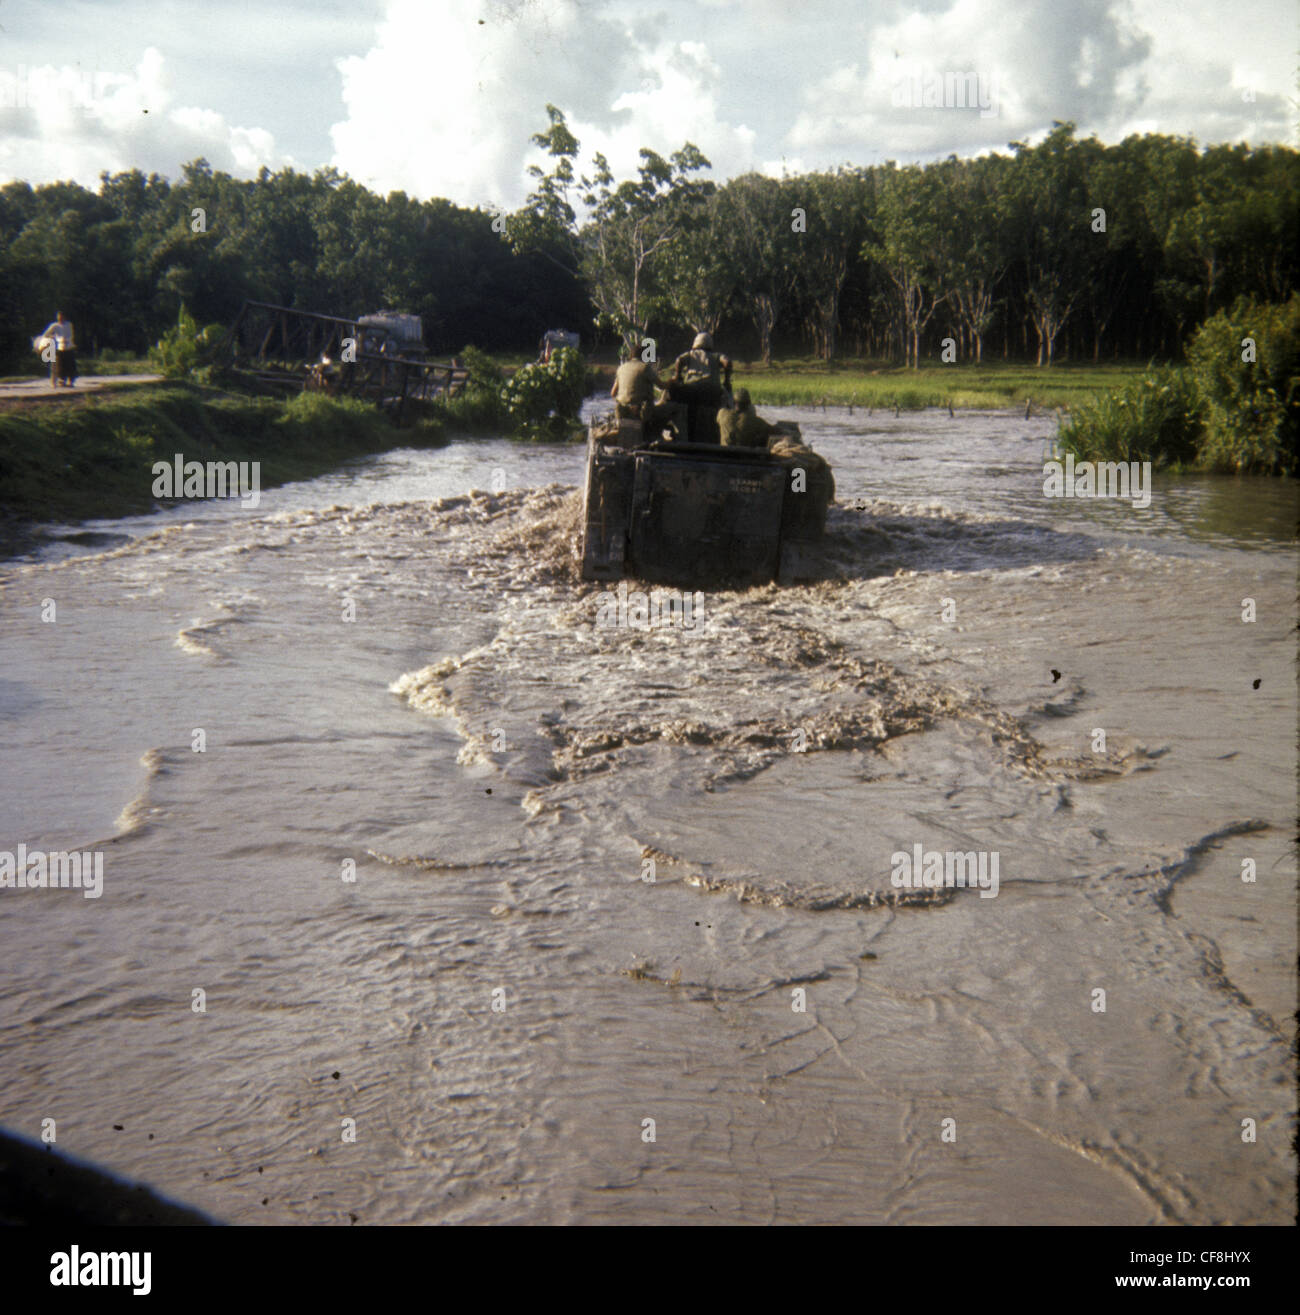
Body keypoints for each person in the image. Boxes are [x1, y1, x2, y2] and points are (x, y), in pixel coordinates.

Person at [667, 332, 731, 442]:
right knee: (727, 399)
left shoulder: (691, 354)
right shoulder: (716, 356)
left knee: (673, 391)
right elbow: (727, 362)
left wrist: (678, 376)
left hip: (692, 390)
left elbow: (678, 361)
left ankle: (677, 429)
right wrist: (726, 380)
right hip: (712, 392)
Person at [609, 347, 659, 426]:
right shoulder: (645, 367)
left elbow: (612, 393)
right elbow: (661, 385)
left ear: (631, 356)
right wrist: (672, 381)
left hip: (622, 413)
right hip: (642, 414)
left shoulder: (621, 368)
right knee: (675, 409)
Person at [40, 312, 76, 387]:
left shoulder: (68, 324)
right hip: (60, 346)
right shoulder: (54, 326)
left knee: (70, 364)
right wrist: (53, 336)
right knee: (61, 364)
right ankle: (62, 380)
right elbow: (46, 334)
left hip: (69, 345)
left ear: (64, 317)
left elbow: (70, 334)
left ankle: (70, 380)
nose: (60, 318)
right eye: (59, 317)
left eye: (62, 317)